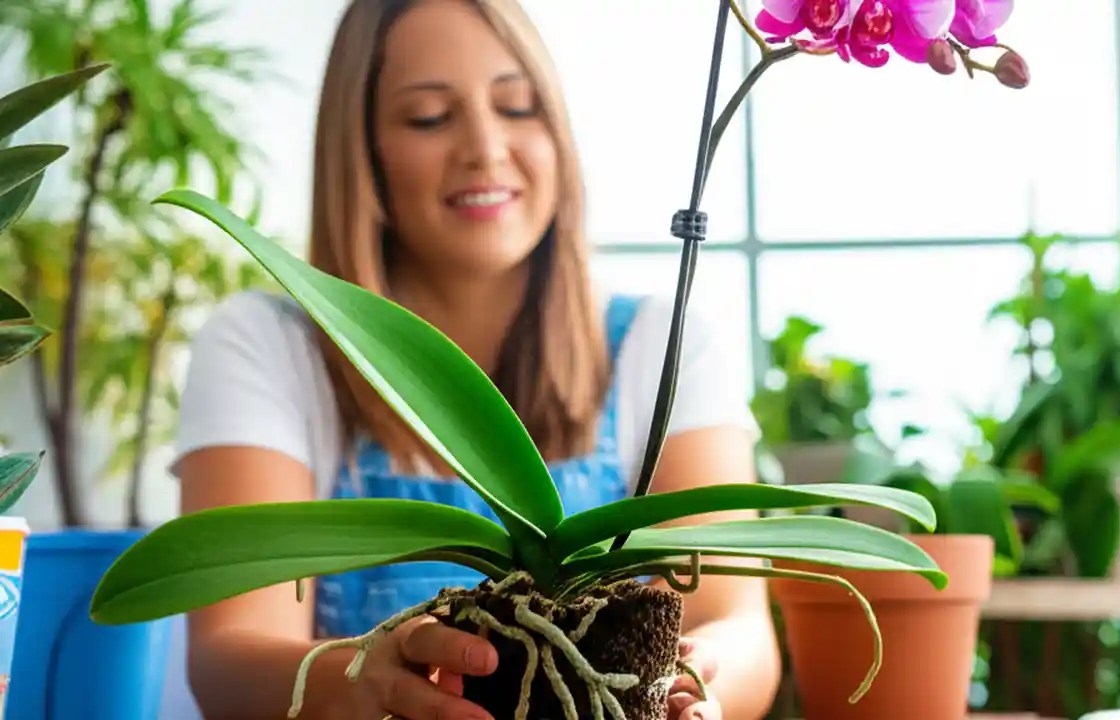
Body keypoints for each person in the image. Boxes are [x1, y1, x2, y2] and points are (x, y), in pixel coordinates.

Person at [172, 0, 781, 718]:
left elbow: (738, 628)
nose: (487, 148)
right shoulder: (271, 346)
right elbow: (229, 656)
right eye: (429, 117)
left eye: (519, 108)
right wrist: (362, 681)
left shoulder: (661, 345)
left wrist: (701, 691)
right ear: (362, 151)